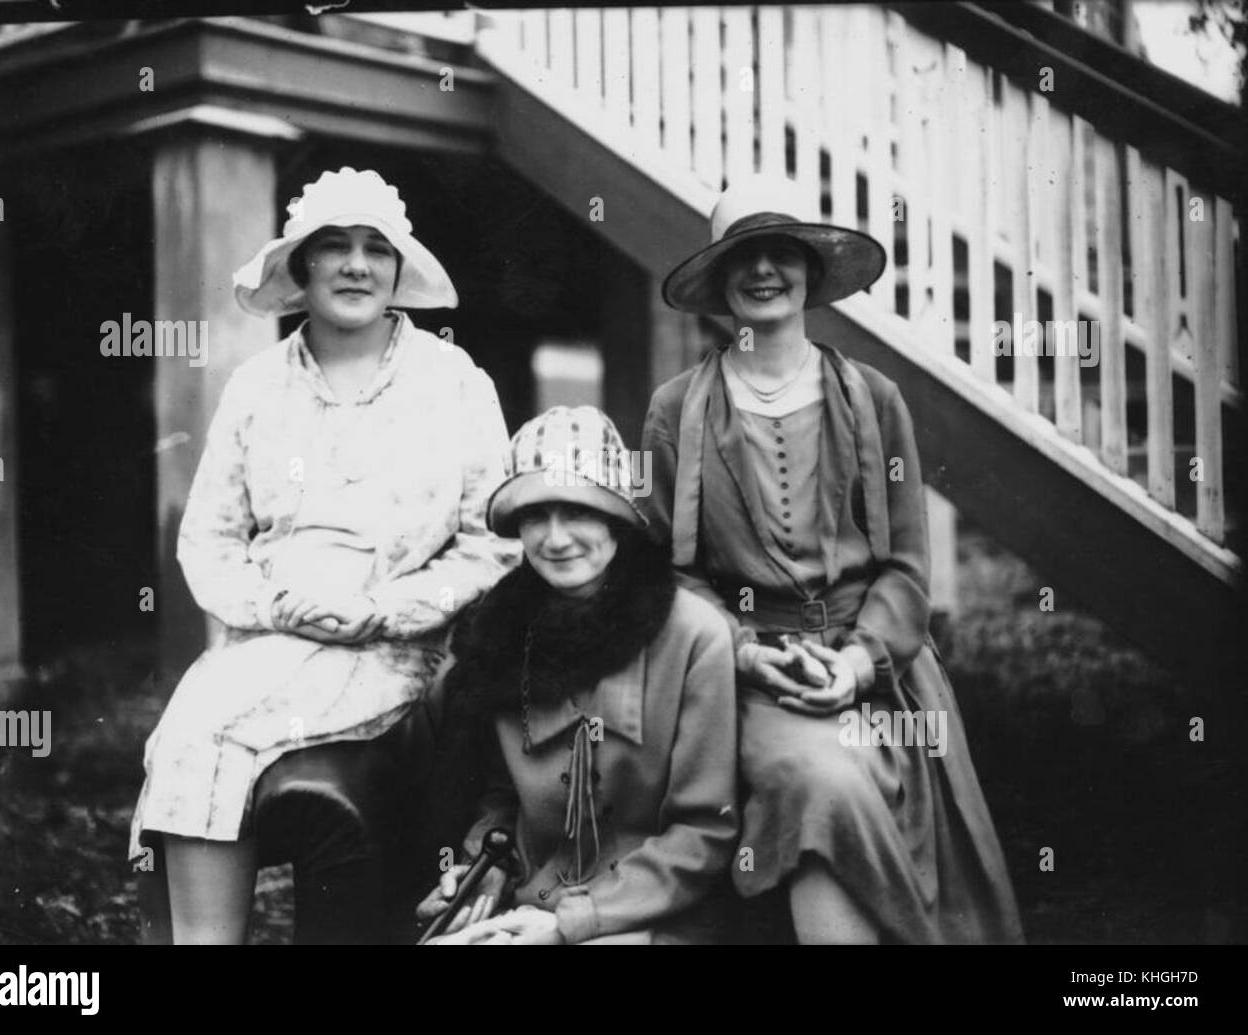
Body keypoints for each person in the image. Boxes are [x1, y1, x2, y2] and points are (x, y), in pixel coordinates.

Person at [128, 167, 519, 944]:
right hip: (270, 638)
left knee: (213, 732)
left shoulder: (455, 382)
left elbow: (494, 541)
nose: (355, 264)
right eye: (333, 246)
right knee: (185, 734)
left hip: (398, 649)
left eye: (376, 248)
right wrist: (275, 605)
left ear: (398, 271)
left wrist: (383, 607)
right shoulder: (255, 387)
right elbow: (208, 538)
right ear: (300, 267)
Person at [641, 176, 1024, 944]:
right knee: (817, 775)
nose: (762, 272)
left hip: (876, 665)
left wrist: (856, 664)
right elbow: (663, 573)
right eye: (743, 257)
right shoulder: (676, 408)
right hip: (745, 671)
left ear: (810, 272)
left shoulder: (873, 399)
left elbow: (907, 568)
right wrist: (746, 655)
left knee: (857, 776)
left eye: (781, 253)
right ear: (719, 279)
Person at [416, 406, 739, 944]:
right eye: (536, 516)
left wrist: (573, 925)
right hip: (533, 903)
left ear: (617, 518)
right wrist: (484, 867)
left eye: (577, 512)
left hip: (654, 915)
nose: (556, 538)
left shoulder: (695, 635)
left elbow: (704, 831)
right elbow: (501, 797)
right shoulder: (499, 631)